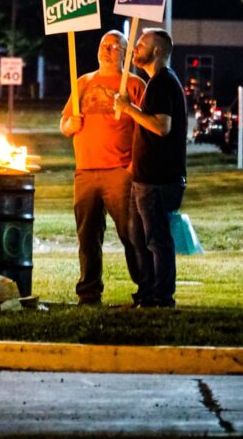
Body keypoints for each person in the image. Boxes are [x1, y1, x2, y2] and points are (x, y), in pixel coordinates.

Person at [60, 30, 146, 306]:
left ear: (124, 53)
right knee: (87, 236)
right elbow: (64, 123)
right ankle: (89, 292)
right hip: (85, 172)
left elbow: (145, 128)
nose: (107, 50)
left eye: (114, 47)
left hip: (119, 173)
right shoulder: (82, 82)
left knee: (130, 234)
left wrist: (132, 166)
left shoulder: (134, 84)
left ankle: (147, 288)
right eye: (103, 45)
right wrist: (67, 127)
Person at [114, 28, 187, 308]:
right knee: (139, 236)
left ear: (156, 51)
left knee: (156, 239)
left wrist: (129, 108)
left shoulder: (162, 83)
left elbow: (161, 126)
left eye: (140, 44)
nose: (134, 48)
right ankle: (147, 292)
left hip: (158, 179)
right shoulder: (157, 82)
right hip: (144, 178)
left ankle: (161, 296)